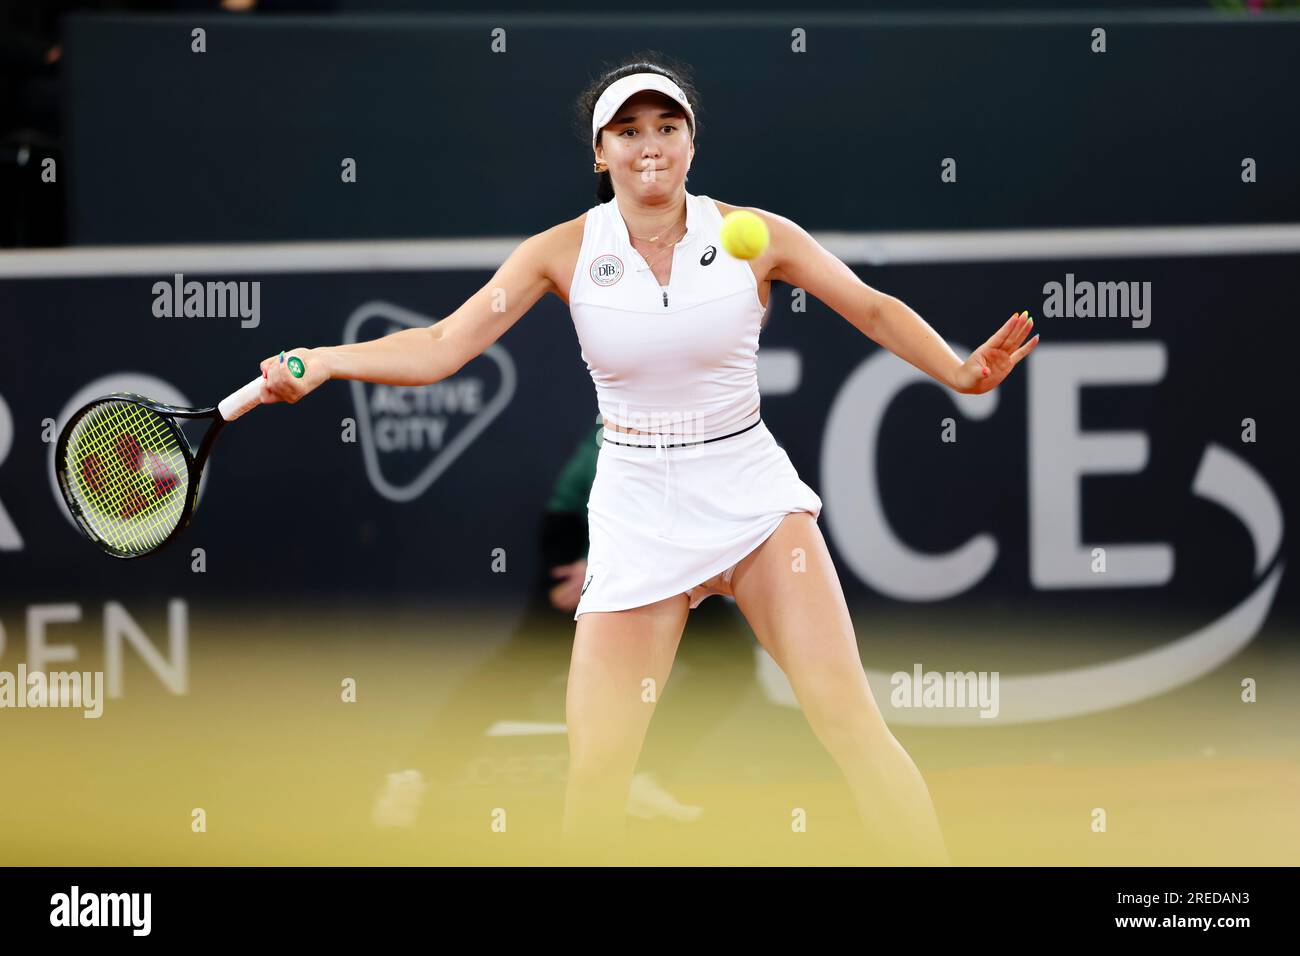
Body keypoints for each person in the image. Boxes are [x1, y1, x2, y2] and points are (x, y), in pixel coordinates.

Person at [260, 52, 1039, 864]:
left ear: (692, 143)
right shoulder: (558, 253)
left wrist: (958, 370)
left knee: (850, 724)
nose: (650, 145)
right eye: (628, 131)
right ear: (601, 154)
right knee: (598, 770)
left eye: (667, 127)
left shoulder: (757, 234)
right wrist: (324, 361)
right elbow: (443, 346)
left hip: (751, 496)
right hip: (634, 506)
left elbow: (872, 310)